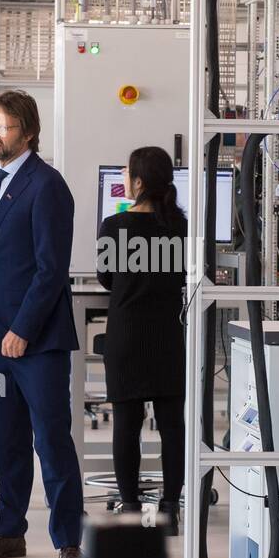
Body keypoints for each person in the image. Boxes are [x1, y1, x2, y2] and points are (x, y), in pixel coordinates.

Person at [0, 91, 84, 558]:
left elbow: (51, 269)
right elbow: (14, 252)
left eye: (3, 127)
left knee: (51, 439)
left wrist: (22, 330)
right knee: (7, 438)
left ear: (28, 133)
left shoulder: (47, 185)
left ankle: (68, 541)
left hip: (35, 341)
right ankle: (9, 530)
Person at [96, 147, 187, 535]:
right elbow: (183, 277)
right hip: (167, 336)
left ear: (137, 182)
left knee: (126, 425)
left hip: (127, 336)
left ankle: (132, 506)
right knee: (172, 426)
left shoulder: (113, 227)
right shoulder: (179, 226)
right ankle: (169, 510)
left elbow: (106, 280)